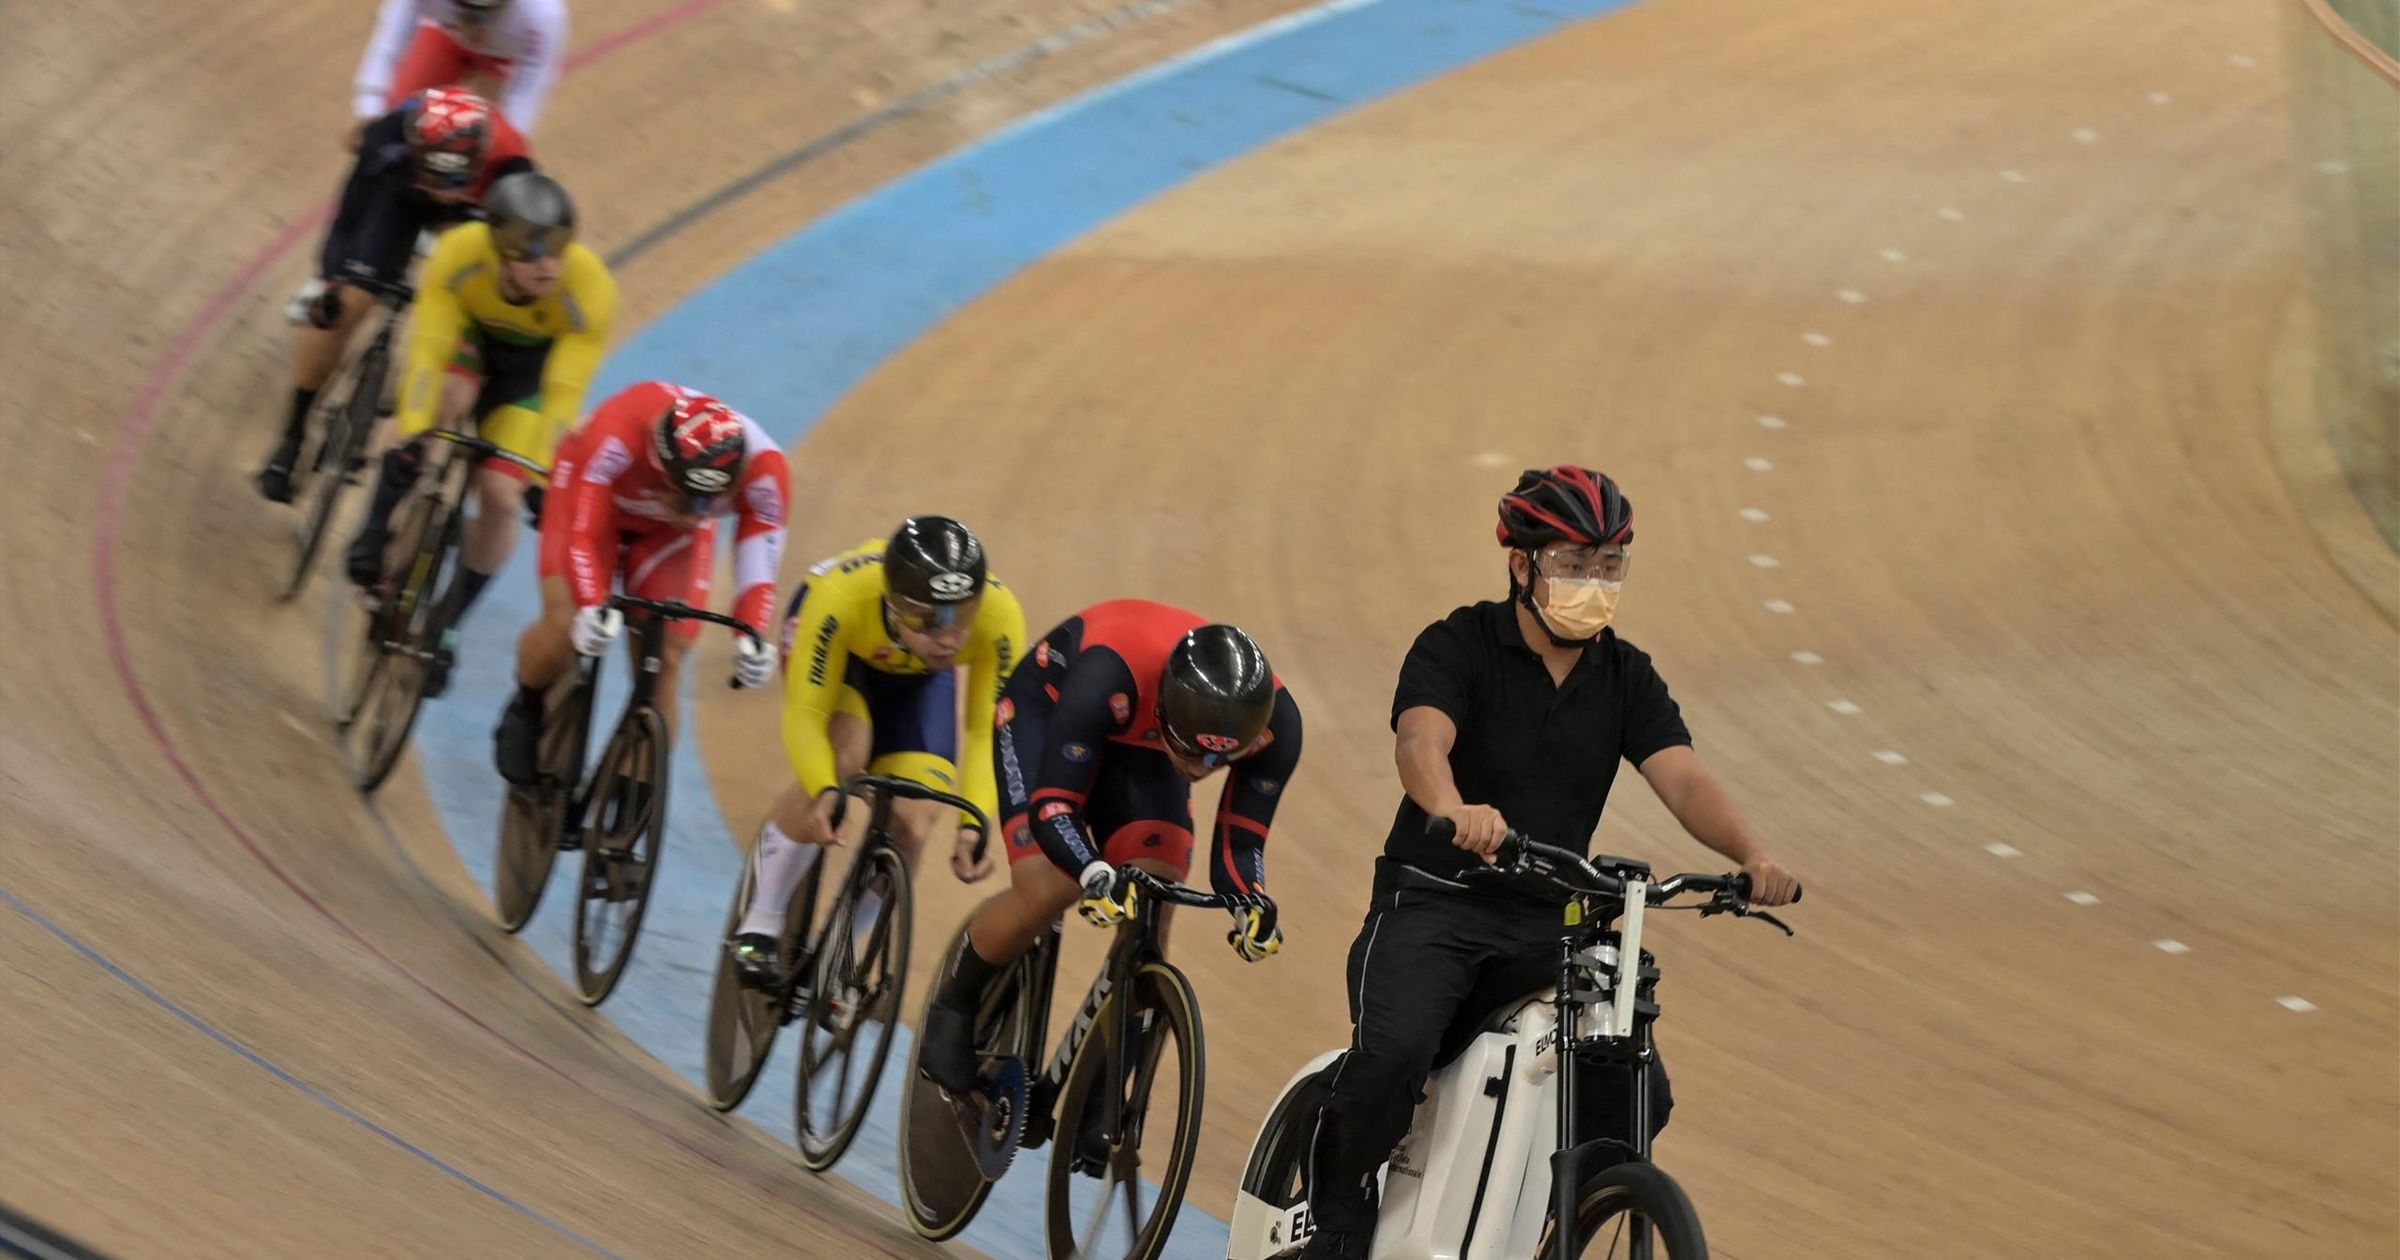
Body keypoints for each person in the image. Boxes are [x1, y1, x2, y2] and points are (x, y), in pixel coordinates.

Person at [1289, 466, 1803, 1260]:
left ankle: (1559, 1222)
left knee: (1636, 1092)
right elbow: (1421, 741)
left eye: (1609, 566)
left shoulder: (1626, 675)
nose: (1592, 583)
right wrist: (1449, 808)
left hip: (1552, 920)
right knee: (1394, 1056)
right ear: (1520, 564)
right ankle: (1338, 1220)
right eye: (1572, 563)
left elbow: (1683, 776)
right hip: (1438, 903)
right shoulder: (1457, 643)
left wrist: (1752, 855)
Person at [916, 601, 1303, 1099]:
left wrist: (1252, 900)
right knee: (1049, 886)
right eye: (1192, 752)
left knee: (1154, 898)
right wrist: (1093, 870)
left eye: (1218, 759)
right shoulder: (1105, 676)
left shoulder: (1277, 727)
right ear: (1166, 711)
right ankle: (955, 1005)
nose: (1201, 769)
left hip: (1145, 745)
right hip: (1052, 710)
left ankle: (1098, 1086)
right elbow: (1055, 805)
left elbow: (1241, 841)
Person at [341, 172, 615, 697]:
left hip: (527, 380)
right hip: (466, 345)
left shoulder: (589, 288)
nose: (549, 265)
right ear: (498, 250)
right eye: (533, 253)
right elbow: (427, 354)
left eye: (558, 249)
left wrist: (541, 471)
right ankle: (374, 533)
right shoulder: (459, 254)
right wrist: (416, 435)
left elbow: (563, 391)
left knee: (499, 496)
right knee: (442, 402)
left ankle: (446, 621)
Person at [727, 517, 1027, 982]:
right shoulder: (842, 598)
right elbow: (806, 713)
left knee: (915, 820)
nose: (948, 637)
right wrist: (825, 786)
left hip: (920, 680)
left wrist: (974, 822)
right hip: (844, 654)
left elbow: (987, 733)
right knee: (845, 757)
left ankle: (841, 949)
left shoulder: (998, 615)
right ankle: (760, 922)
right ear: (894, 605)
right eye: (929, 620)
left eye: (961, 617)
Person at [493, 381, 789, 786]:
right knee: (567, 623)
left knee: (666, 655)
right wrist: (592, 603)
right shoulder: (617, 433)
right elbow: (583, 532)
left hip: (667, 537)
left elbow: (760, 548)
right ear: (660, 462)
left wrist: (752, 630)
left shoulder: (765, 468)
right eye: (684, 495)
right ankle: (527, 701)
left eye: (708, 502)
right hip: (596, 505)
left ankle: (631, 795)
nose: (694, 511)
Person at [255, 86, 531, 505]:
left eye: (455, 177)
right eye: (436, 176)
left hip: (472, 214)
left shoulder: (513, 167)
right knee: (344, 307)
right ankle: (292, 434)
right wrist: (331, 281)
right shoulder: (388, 136)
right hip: (400, 194)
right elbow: (348, 221)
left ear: (479, 161)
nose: (444, 188)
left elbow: (516, 260)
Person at [350, 0, 568, 142]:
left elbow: (527, 93)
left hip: (505, 59)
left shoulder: (545, 15)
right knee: (392, 131)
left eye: (486, 12)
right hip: (446, 36)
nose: (475, 22)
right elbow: (387, 44)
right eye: (464, 6)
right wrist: (370, 112)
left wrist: (508, 149)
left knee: (481, 147)